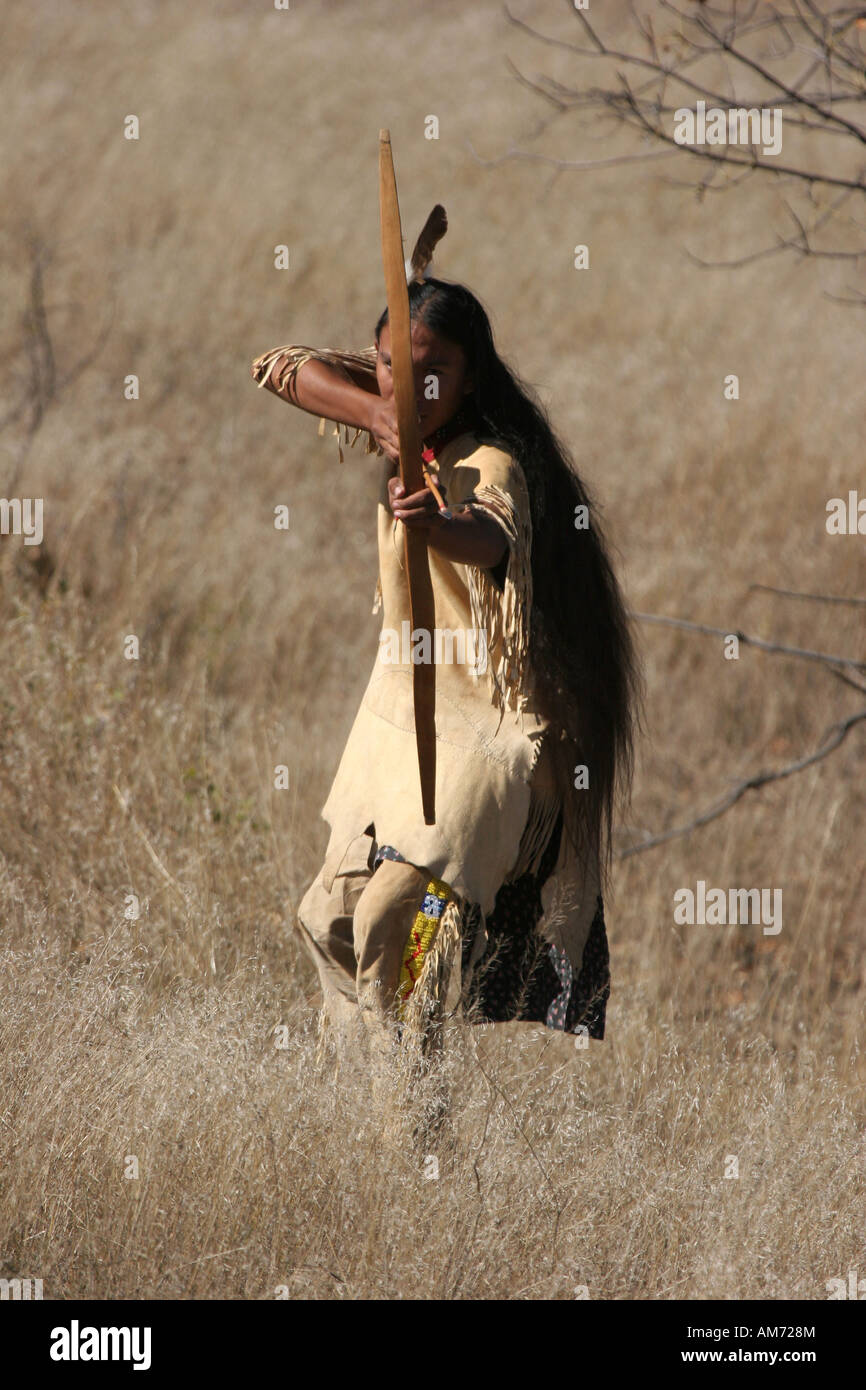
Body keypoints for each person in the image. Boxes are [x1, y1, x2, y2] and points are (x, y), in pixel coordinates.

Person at [250, 218, 642, 1121]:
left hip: (485, 739)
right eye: (393, 363)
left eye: (436, 372)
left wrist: (434, 518)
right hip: (397, 719)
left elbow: (489, 533)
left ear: (471, 377)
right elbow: (277, 364)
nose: (415, 384)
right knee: (328, 919)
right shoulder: (394, 410)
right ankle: (351, 1123)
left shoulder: (492, 462)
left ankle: (414, 1139)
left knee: (401, 929)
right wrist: (382, 412)